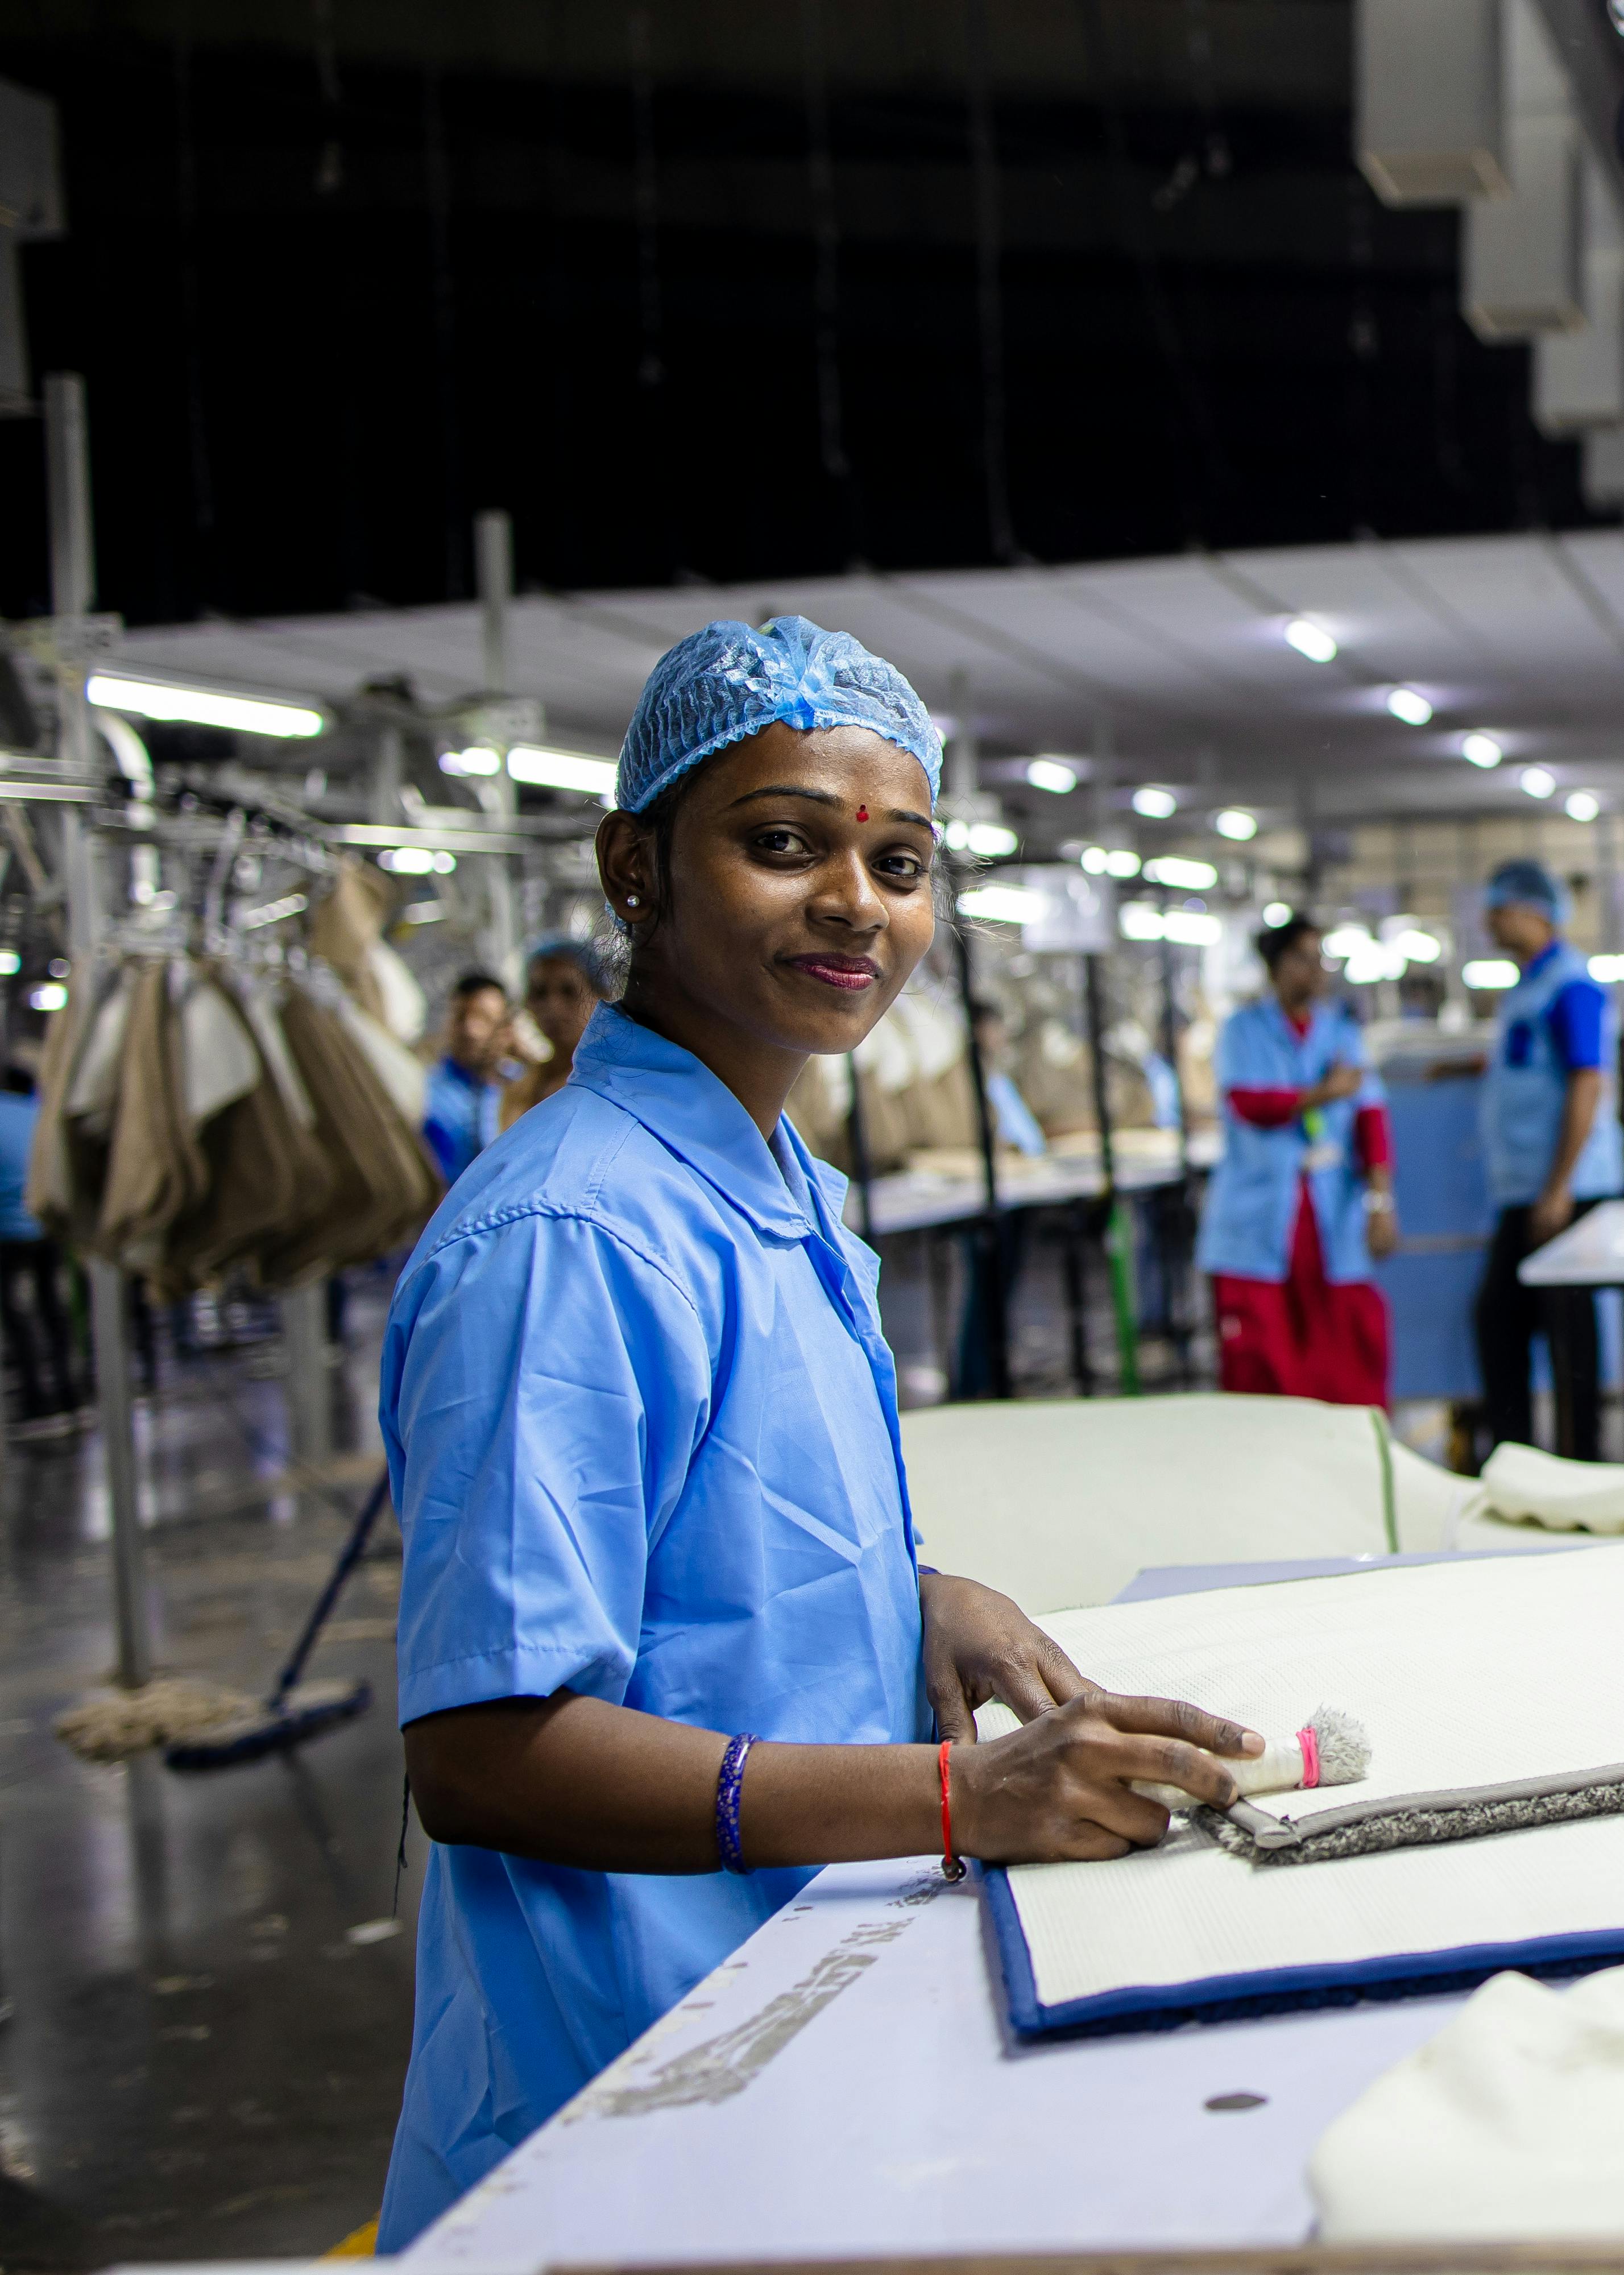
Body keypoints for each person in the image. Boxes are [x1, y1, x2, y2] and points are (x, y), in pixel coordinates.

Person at [377, 617, 1262, 2245]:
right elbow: (485, 1751)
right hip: (628, 2098)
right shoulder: (573, 1237)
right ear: (635, 867)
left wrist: (905, 1593)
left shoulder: (779, 1197)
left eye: (901, 861)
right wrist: (952, 1803)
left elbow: (691, 1547)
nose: (856, 902)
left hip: (798, 2015)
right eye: (781, 844)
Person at [1196, 916, 1397, 1405]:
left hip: (1332, 1214)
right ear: (1275, 967)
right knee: (1262, 1360)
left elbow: (1370, 1119)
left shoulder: (1341, 1033)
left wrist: (1380, 1201)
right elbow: (1247, 1103)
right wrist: (1323, 1093)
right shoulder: (1242, 1030)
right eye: (1303, 959)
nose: (1316, 971)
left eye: (1321, 959)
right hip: (1260, 1215)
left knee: (1347, 1350)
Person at [1471, 858, 1623, 1459]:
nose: (1490, 921)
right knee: (1507, 1324)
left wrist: (1559, 1188)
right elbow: (1531, 1065)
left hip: (1563, 1189)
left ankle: (1575, 1461)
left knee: (1560, 1334)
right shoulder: (1531, 984)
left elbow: (1588, 1083)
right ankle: (1522, 1461)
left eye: (1500, 909)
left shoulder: (1570, 985)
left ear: (1535, 912)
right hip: (1529, 1186)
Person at [0, 1052, 82, 1436]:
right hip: (47, 1224)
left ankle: (36, 1401)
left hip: (7, 1232)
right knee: (54, 1307)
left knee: (17, 1316)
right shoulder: (36, 1114)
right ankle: (71, 1392)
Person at [499, 940, 607, 1127]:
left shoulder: (615, 1084)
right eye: (540, 993)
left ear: (602, 997)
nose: (553, 1008)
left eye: (569, 992)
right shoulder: (520, 1090)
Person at [419, 971, 513, 1182]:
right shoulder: (425, 1092)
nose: (470, 1030)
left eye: (485, 1019)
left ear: (506, 1029)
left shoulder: (523, 1087)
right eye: (461, 1016)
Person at [972, 1007, 1053, 1157]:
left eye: (999, 1026)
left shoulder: (1002, 1082)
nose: (999, 1034)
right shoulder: (976, 1085)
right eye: (991, 1027)